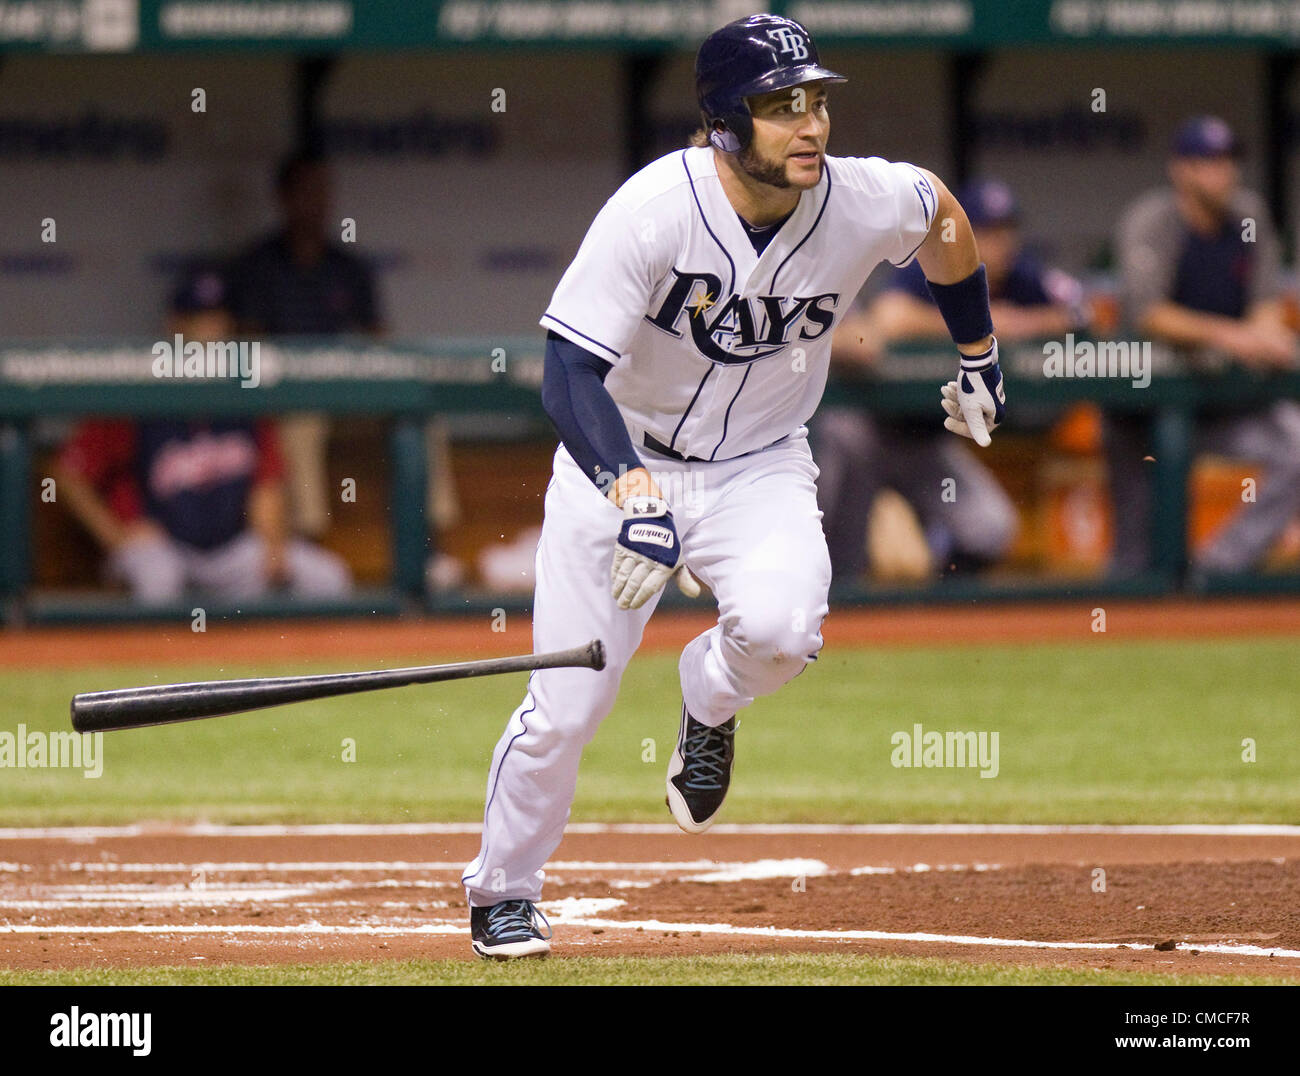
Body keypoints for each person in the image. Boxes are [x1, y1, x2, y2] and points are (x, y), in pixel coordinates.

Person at [461, 13, 1006, 959]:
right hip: (620, 459)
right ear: (722, 121)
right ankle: (503, 890)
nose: (809, 126)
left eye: (816, 101)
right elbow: (566, 372)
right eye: (778, 107)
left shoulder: (862, 197)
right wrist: (630, 493)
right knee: (567, 706)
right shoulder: (652, 209)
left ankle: (707, 701)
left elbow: (943, 219)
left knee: (785, 632)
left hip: (759, 464)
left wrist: (979, 351)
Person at [815, 179, 1084, 582]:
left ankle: (932, 615)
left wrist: (1015, 324)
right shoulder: (931, 265)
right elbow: (889, 320)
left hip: (926, 438)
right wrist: (976, 326)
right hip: (867, 427)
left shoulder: (1024, 277)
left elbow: (1080, 312)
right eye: (987, 232)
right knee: (834, 550)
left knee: (990, 528)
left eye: (1005, 230)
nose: (1000, 243)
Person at [53, 267, 352, 604]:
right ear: (174, 325)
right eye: (200, 320)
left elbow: (266, 482)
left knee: (326, 578)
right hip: (161, 547)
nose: (212, 332)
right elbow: (69, 476)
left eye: (219, 320)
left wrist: (272, 544)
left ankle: (258, 657)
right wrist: (118, 536)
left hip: (230, 548)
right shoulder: (137, 390)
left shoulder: (246, 393)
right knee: (159, 579)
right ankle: (151, 658)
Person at [1108, 116, 1300, 579]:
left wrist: (1263, 331)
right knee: (1136, 556)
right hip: (1145, 406)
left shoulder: (1248, 218)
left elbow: (1264, 303)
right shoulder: (1153, 220)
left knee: (1297, 445)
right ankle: (1128, 615)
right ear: (1182, 170)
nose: (1222, 173)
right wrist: (1231, 335)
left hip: (1222, 398)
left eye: (1227, 162)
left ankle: (1217, 569)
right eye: (1208, 162)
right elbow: (1149, 313)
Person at [227, 152, 384, 540]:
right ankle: (311, 541)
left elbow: (381, 344)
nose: (316, 202)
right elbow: (247, 347)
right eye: (305, 192)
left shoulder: (348, 266)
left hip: (345, 392)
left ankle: (429, 548)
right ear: (283, 197)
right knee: (301, 422)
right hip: (286, 395)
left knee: (419, 417)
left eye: (323, 192)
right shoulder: (258, 264)